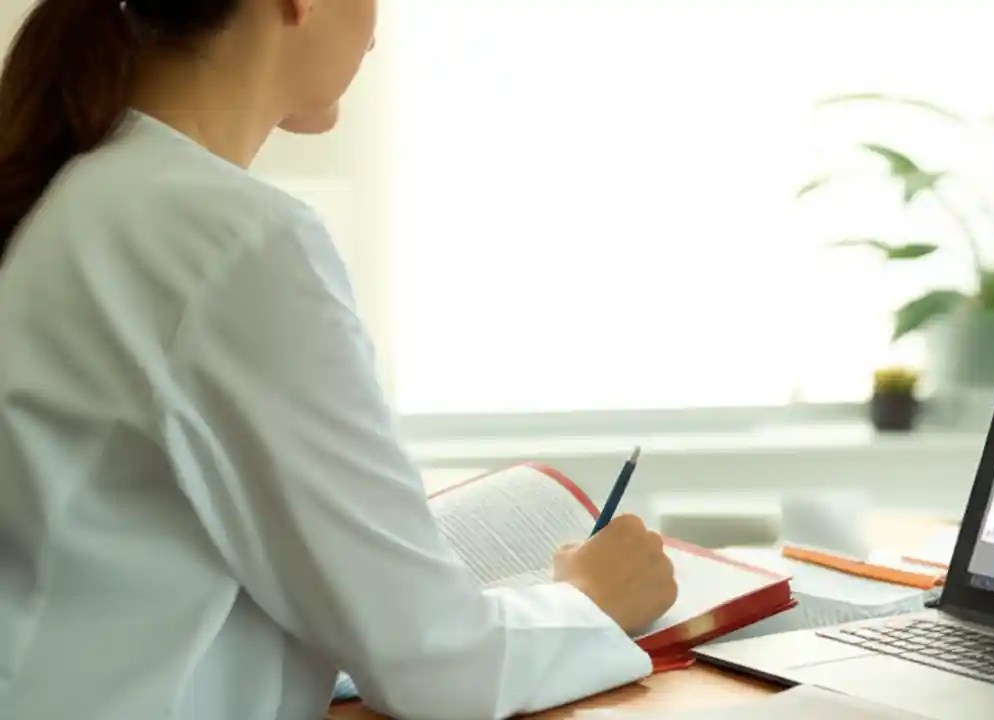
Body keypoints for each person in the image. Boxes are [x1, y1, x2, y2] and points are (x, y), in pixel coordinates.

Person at [0, 1, 678, 719]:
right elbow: (441, 668)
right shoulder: (234, 242)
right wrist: (590, 600)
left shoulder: (85, 197)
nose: (381, 27)